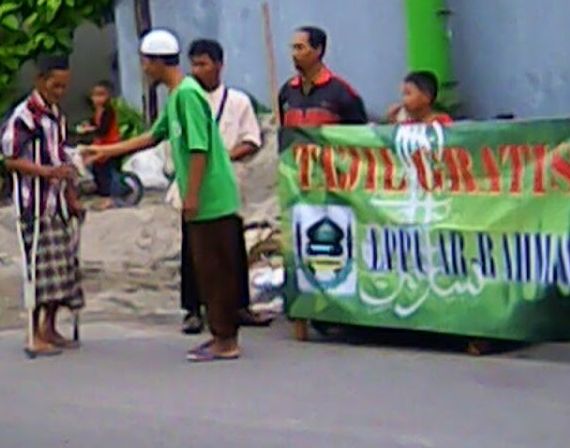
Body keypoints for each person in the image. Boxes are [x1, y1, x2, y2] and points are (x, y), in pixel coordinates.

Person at [83, 29, 244, 363]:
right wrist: (105, 151)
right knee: (206, 267)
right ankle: (220, 336)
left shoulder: (187, 95)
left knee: (215, 269)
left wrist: (193, 195)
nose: (143, 69)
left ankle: (225, 340)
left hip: (211, 197)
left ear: (157, 62)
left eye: (145, 62)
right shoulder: (177, 97)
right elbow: (153, 137)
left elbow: (199, 149)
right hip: (204, 196)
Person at [175, 38, 267, 334]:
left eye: (203, 63)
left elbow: (251, 140)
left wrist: (223, 158)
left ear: (219, 65)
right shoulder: (187, 97)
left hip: (226, 180)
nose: (198, 70)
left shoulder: (238, 101)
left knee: (230, 248)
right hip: (194, 181)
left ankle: (238, 306)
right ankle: (193, 309)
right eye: (194, 64)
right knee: (193, 248)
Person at [0, 55, 85, 357]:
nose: (60, 92)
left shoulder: (56, 115)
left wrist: (71, 195)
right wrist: (48, 172)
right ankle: (33, 334)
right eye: (55, 85)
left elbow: (62, 155)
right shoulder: (25, 117)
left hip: (56, 204)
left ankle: (50, 327)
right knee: (38, 272)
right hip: (34, 205)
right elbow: (11, 159)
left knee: (59, 272)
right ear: (40, 81)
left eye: (64, 87)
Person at [278, 26, 368, 126]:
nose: (294, 54)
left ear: (318, 50)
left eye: (300, 48)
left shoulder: (342, 93)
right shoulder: (287, 91)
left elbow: (360, 135)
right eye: (293, 48)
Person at [76, 80, 122, 206]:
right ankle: (100, 190)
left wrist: (89, 129)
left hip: (111, 145)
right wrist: (87, 125)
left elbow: (103, 130)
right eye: (95, 95)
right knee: (94, 166)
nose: (97, 98)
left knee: (105, 170)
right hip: (101, 144)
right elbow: (93, 124)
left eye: (101, 95)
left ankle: (108, 196)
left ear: (107, 96)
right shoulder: (97, 111)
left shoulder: (108, 111)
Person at [386, 71, 454, 126]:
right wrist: (393, 121)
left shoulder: (442, 120)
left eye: (408, 93)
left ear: (426, 97)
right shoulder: (408, 125)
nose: (404, 99)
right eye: (403, 94)